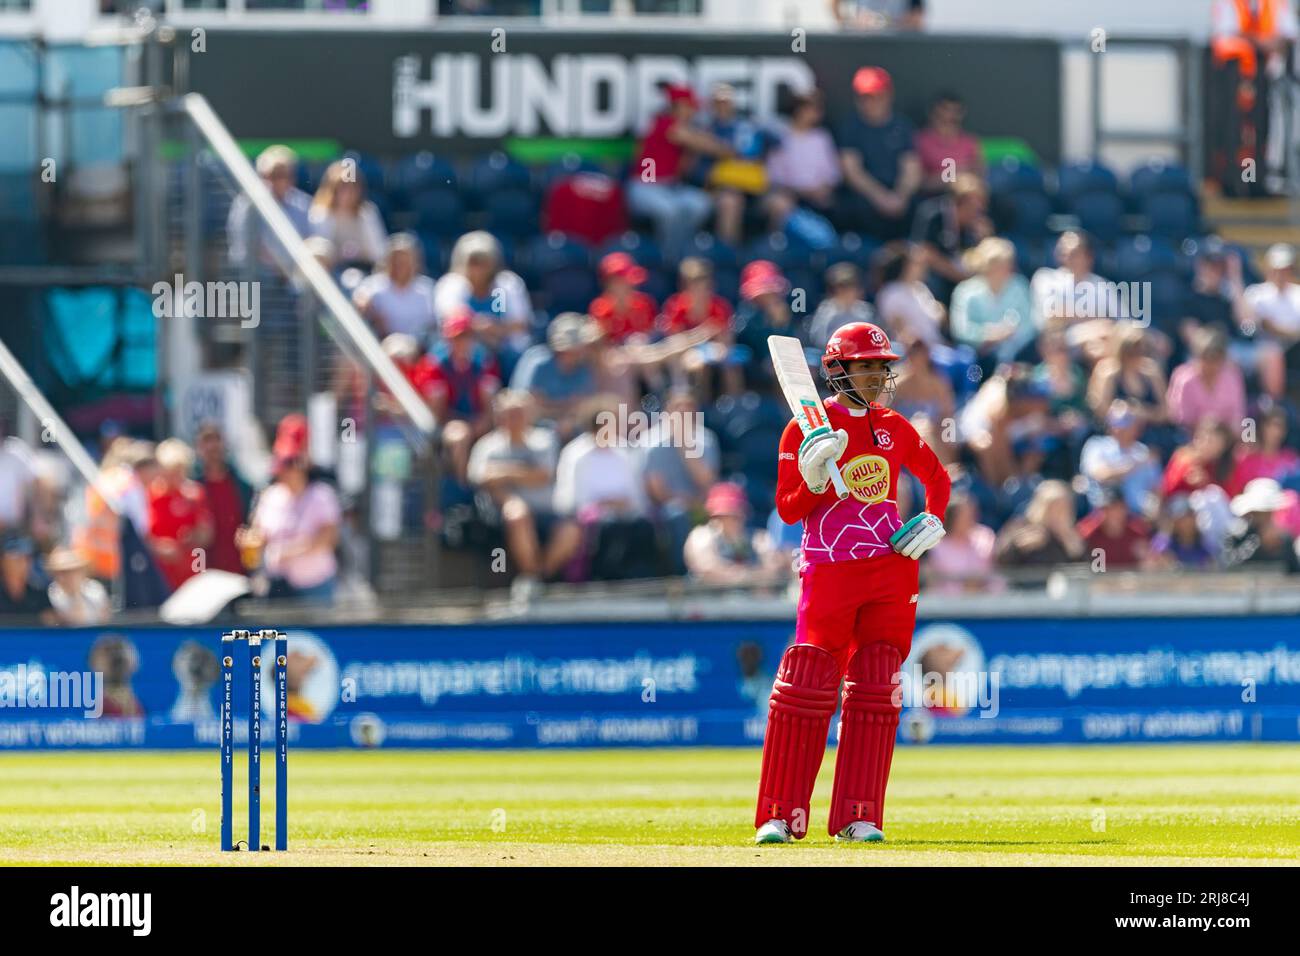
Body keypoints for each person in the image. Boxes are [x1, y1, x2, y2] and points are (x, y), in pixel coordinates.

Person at [754, 321, 951, 845]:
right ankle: (780, 814)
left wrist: (933, 520)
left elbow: (938, 478)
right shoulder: (804, 428)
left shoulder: (895, 425)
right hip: (830, 567)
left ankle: (858, 816)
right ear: (839, 369)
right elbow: (788, 508)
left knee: (877, 686)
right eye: (867, 366)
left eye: (883, 367)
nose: (878, 376)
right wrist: (815, 480)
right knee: (806, 684)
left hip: (891, 566)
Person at [467, 390, 581, 598]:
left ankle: (538, 578)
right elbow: (479, 478)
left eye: (519, 413)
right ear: (498, 417)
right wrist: (524, 472)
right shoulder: (487, 445)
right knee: (518, 514)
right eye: (509, 414)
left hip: (549, 512)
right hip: (502, 516)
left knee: (571, 530)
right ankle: (532, 578)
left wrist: (502, 472)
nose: (514, 419)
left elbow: (543, 476)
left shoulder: (544, 440)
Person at [237, 415, 341, 603]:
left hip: (314, 586)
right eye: (283, 463)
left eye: (291, 463)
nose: (286, 470)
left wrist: (286, 552)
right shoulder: (269, 495)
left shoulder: (322, 493)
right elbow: (258, 535)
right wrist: (250, 542)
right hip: (278, 586)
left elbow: (327, 540)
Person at [626, 84, 731, 261]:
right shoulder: (664, 122)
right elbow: (705, 144)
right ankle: (669, 258)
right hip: (644, 187)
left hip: (670, 188)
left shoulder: (683, 126)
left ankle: (684, 252)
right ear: (678, 105)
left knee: (701, 204)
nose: (692, 111)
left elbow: (687, 163)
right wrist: (730, 150)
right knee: (670, 211)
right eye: (688, 106)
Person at [835, 67, 921, 240]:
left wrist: (900, 196)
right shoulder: (850, 127)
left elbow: (911, 167)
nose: (869, 103)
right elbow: (852, 172)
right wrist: (881, 198)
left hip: (898, 198)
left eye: (875, 96)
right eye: (864, 98)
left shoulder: (902, 126)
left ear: (888, 95)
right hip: (867, 199)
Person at [433, 231, 533, 374]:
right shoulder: (453, 284)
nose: (478, 269)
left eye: (483, 262)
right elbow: (450, 320)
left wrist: (496, 328)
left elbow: (520, 323)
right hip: (464, 344)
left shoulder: (505, 285)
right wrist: (478, 326)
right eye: (473, 262)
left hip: (501, 344)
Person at [949, 237, 1038, 371]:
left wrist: (1010, 336)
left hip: (1017, 355)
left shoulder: (1019, 285)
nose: (1004, 270)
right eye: (997, 265)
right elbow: (960, 329)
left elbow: (1030, 324)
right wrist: (987, 335)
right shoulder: (965, 291)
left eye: (1007, 264)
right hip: (979, 358)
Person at [764, 90, 842, 235]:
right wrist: (803, 191)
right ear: (799, 109)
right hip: (789, 195)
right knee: (779, 204)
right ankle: (777, 246)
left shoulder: (822, 137)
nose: (817, 113)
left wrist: (823, 188)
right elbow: (774, 176)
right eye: (813, 108)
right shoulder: (781, 136)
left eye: (819, 109)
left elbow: (833, 173)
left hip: (818, 197)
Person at [683, 482, 787, 587]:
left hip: (752, 599)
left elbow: (773, 567)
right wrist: (745, 575)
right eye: (724, 516)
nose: (730, 520)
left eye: (735, 515)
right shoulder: (701, 536)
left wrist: (744, 575)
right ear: (713, 516)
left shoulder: (758, 538)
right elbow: (706, 569)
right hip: (708, 598)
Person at [226, 144, 312, 271]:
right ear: (262, 177)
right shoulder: (247, 204)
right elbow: (246, 246)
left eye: (286, 175)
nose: (281, 181)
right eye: (274, 175)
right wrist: (280, 267)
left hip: (295, 272)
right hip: (256, 273)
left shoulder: (303, 203)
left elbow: (309, 240)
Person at [910, 173, 992, 301]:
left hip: (961, 274)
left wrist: (985, 240)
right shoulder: (932, 214)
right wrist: (958, 275)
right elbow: (925, 253)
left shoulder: (975, 225)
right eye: (973, 208)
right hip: (935, 274)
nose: (977, 212)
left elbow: (977, 258)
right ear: (956, 204)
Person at [147, 439, 214, 594]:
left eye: (179, 471)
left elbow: (206, 536)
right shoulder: (150, 495)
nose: (174, 478)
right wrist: (160, 547)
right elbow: (144, 535)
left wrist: (192, 538)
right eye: (170, 472)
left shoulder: (195, 494)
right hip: (161, 572)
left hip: (192, 568)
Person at [353, 232, 438, 341]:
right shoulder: (372, 285)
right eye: (395, 259)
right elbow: (360, 302)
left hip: (421, 347)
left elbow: (434, 324)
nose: (400, 264)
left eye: (405, 260)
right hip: (383, 346)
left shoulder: (427, 288)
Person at [192, 423, 253, 577]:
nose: (212, 446)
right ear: (198, 447)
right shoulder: (192, 488)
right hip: (204, 573)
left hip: (239, 572)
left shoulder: (243, 487)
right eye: (207, 440)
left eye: (216, 440)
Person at [1242, 242, 1300, 397]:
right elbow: (1253, 325)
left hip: (1294, 350)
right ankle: (1273, 404)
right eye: (1277, 269)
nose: (1281, 273)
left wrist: (1279, 330)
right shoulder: (1256, 293)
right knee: (1272, 354)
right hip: (1264, 350)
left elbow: (1271, 326)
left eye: (1285, 269)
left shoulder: (1297, 293)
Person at [307, 159, 387, 270]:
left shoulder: (367, 212)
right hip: (330, 272)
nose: (348, 192)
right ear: (333, 188)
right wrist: (339, 254)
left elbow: (379, 252)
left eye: (353, 186)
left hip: (364, 271)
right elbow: (319, 251)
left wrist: (358, 252)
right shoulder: (319, 213)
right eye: (343, 186)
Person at [1166, 328, 1248, 430]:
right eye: (1206, 358)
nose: (1211, 364)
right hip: (1190, 438)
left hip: (1226, 438)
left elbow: (1238, 414)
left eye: (1216, 359)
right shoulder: (1184, 378)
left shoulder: (1233, 376)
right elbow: (1178, 418)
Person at [993, 479, 1087, 569]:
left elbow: (1086, 571)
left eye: (1064, 509)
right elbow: (1000, 559)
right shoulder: (1022, 526)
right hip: (1024, 584)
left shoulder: (1072, 536)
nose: (1059, 515)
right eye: (1054, 508)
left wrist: (1075, 550)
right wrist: (1017, 548)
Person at [924, 493, 1004, 595]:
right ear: (952, 518)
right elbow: (932, 585)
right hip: (948, 605)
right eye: (964, 514)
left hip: (984, 602)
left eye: (972, 512)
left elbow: (995, 574)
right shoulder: (936, 546)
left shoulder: (986, 537)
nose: (970, 517)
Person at [1222, 477, 1300, 572]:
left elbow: (1294, 571)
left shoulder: (1284, 539)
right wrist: (1258, 545)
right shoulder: (1236, 533)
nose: (1264, 517)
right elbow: (1228, 567)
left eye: (1268, 512)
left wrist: (1276, 548)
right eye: (1259, 512)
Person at [913, 91, 984, 191]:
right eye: (945, 110)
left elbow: (980, 174)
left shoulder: (970, 141)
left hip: (967, 198)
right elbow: (919, 183)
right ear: (933, 113)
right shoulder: (920, 141)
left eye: (955, 112)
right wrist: (951, 176)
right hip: (934, 198)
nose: (949, 116)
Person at [1228, 406, 1299, 495]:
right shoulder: (1248, 460)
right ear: (1262, 427)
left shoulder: (1291, 458)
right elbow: (1237, 493)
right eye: (1272, 426)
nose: (1277, 432)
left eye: (1281, 427)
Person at [588, 252, 658, 343]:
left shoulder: (645, 303)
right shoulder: (600, 310)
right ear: (609, 285)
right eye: (621, 282)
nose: (629, 285)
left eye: (630, 279)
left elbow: (653, 337)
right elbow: (602, 346)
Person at [1076, 485, 1151, 569]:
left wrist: (1146, 559)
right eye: (1108, 509)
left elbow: (1150, 563)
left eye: (1117, 508)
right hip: (1099, 581)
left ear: (1125, 509)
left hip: (1130, 581)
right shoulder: (1088, 534)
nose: (1113, 514)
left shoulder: (1137, 533)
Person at [808, 261, 877, 349]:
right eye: (841, 287)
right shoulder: (825, 310)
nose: (846, 292)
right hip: (834, 354)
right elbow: (819, 340)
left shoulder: (866, 310)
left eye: (851, 286)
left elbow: (872, 339)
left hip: (860, 354)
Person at [46, 546, 110, 626]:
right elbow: (74, 620)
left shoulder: (95, 588)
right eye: (62, 572)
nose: (68, 576)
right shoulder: (52, 593)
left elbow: (104, 619)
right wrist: (75, 594)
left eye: (73, 571)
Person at [0, 535, 55, 622]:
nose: (23, 562)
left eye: (27, 558)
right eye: (16, 557)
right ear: (2, 561)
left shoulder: (40, 595)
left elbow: (52, 624)